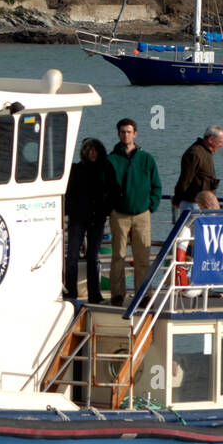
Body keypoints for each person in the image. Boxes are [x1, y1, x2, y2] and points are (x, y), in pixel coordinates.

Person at [106, 118, 161, 307]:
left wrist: (150, 206)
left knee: (142, 257)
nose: (125, 135)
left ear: (135, 134)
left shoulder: (146, 158)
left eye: (129, 132)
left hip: (142, 215)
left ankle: (144, 294)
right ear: (118, 134)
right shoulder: (111, 159)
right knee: (118, 257)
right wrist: (110, 207)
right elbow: (103, 188)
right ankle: (117, 295)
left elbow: (156, 186)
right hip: (119, 215)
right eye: (122, 131)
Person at [64, 138, 113, 303]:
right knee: (72, 256)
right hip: (78, 218)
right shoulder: (76, 170)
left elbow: (113, 189)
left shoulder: (105, 169)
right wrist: (70, 211)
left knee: (93, 256)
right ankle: (70, 292)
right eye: (89, 150)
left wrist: (106, 209)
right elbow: (69, 193)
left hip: (97, 218)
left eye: (95, 150)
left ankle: (94, 294)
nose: (92, 153)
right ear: (84, 152)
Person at [171, 126, 223, 212]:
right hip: (193, 205)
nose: (222, 145)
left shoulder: (205, 153)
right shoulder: (195, 153)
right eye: (220, 142)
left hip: (202, 205)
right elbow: (185, 180)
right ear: (211, 139)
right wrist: (177, 200)